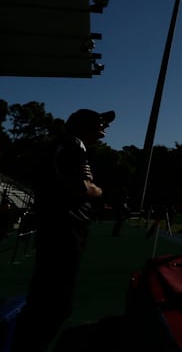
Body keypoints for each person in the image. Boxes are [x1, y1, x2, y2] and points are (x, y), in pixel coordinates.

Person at [11, 108, 114, 352]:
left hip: (63, 227)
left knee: (49, 296)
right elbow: (80, 188)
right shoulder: (71, 146)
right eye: (100, 121)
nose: (105, 126)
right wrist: (95, 190)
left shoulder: (72, 147)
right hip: (64, 228)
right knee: (54, 302)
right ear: (82, 124)